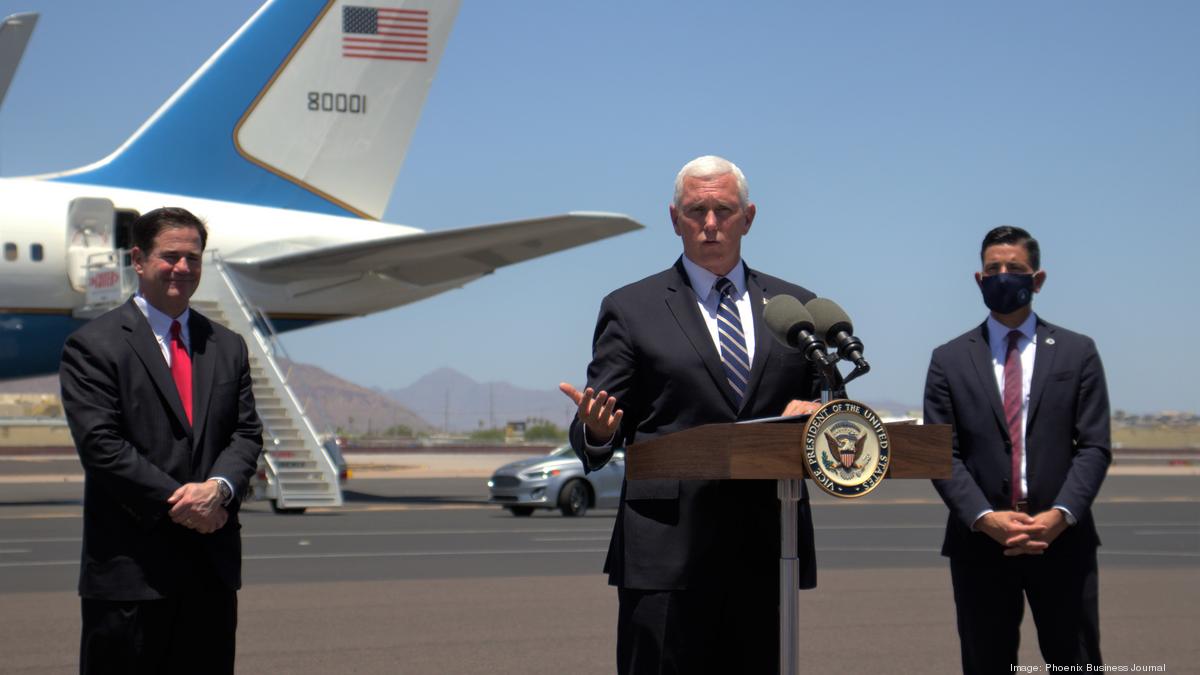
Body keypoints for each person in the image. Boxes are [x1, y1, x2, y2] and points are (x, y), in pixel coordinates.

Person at [559, 155, 823, 674]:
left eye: (723, 210)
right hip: (665, 553)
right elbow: (601, 417)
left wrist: (820, 412)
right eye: (696, 210)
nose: (710, 223)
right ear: (674, 218)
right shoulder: (631, 308)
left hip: (766, 545)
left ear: (748, 218)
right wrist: (597, 432)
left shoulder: (796, 308)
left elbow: (824, 403)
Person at [60, 207, 263, 675]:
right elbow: (102, 446)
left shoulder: (227, 346)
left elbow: (246, 433)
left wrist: (219, 490)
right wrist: (186, 504)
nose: (183, 268)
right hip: (132, 575)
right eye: (170, 256)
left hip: (210, 573)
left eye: (193, 258)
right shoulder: (94, 345)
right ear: (138, 259)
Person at [924, 225, 1110, 674]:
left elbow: (1094, 446)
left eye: (1014, 268)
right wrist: (985, 518)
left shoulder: (1077, 352)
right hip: (981, 545)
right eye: (993, 269)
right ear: (979, 279)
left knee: (1077, 662)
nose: (1003, 276)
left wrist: (1060, 515)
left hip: (1061, 542)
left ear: (1037, 280)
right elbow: (942, 453)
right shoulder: (949, 359)